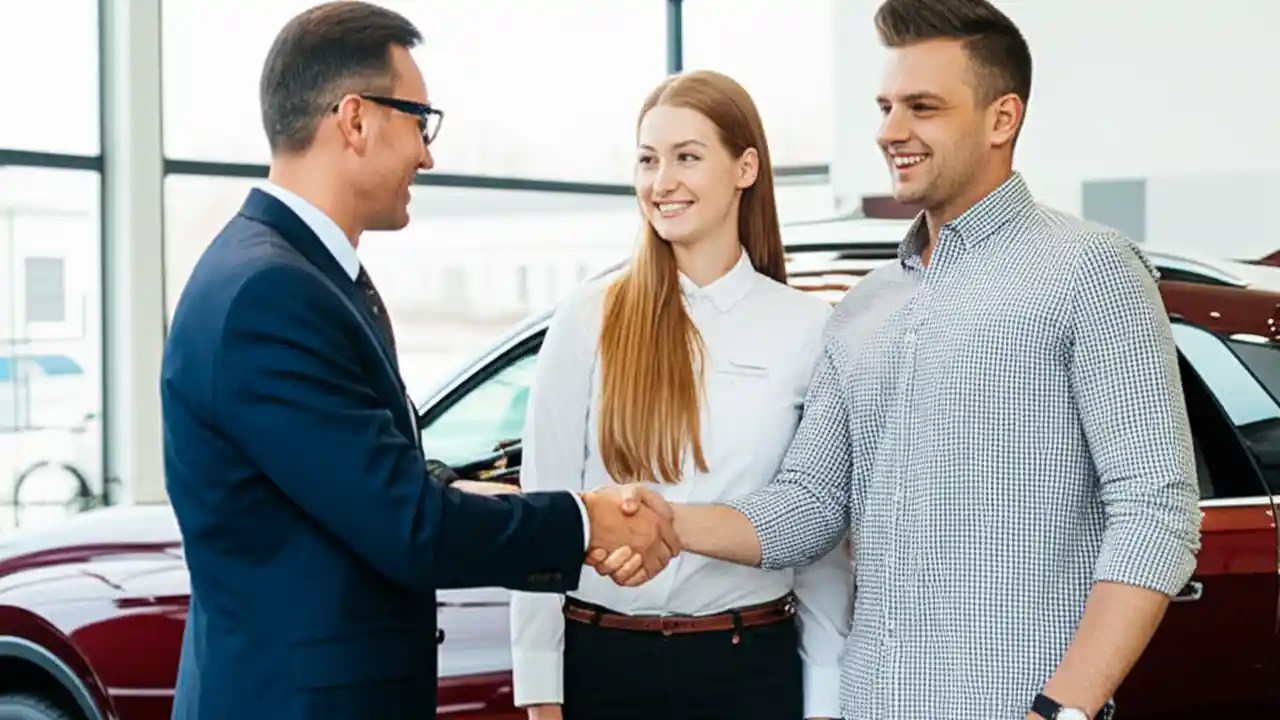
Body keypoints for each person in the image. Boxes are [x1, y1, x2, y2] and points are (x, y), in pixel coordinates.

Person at [596, 2, 1202, 719]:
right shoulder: (864, 309)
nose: (890, 131)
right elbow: (811, 505)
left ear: (1002, 119)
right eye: (885, 105)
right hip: (875, 700)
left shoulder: (1090, 270)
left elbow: (1156, 510)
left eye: (922, 107)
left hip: (1012, 705)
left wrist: (1063, 708)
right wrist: (665, 520)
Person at [159, 3, 676, 719]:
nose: (427, 154)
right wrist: (585, 524)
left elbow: (366, 485)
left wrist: (499, 498)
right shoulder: (270, 293)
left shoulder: (299, 275)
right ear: (356, 119)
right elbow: (407, 526)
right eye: (419, 121)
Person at [509, 69, 854, 720]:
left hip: (749, 666)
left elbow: (816, 538)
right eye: (647, 160)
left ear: (744, 168)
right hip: (603, 664)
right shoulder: (590, 315)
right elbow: (544, 509)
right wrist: (541, 695)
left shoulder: (808, 330)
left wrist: (827, 699)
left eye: (686, 158)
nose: (661, 183)